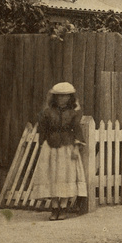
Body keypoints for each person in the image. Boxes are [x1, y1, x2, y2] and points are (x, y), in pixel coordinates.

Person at [31, 82, 87, 220]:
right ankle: (54, 208)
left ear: (70, 98)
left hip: (67, 148)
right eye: (59, 97)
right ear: (54, 98)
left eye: (66, 96)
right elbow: (42, 130)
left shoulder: (73, 113)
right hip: (50, 148)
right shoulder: (47, 112)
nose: (62, 99)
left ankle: (63, 207)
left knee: (65, 176)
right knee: (52, 176)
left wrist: (76, 146)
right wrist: (41, 146)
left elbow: (77, 130)